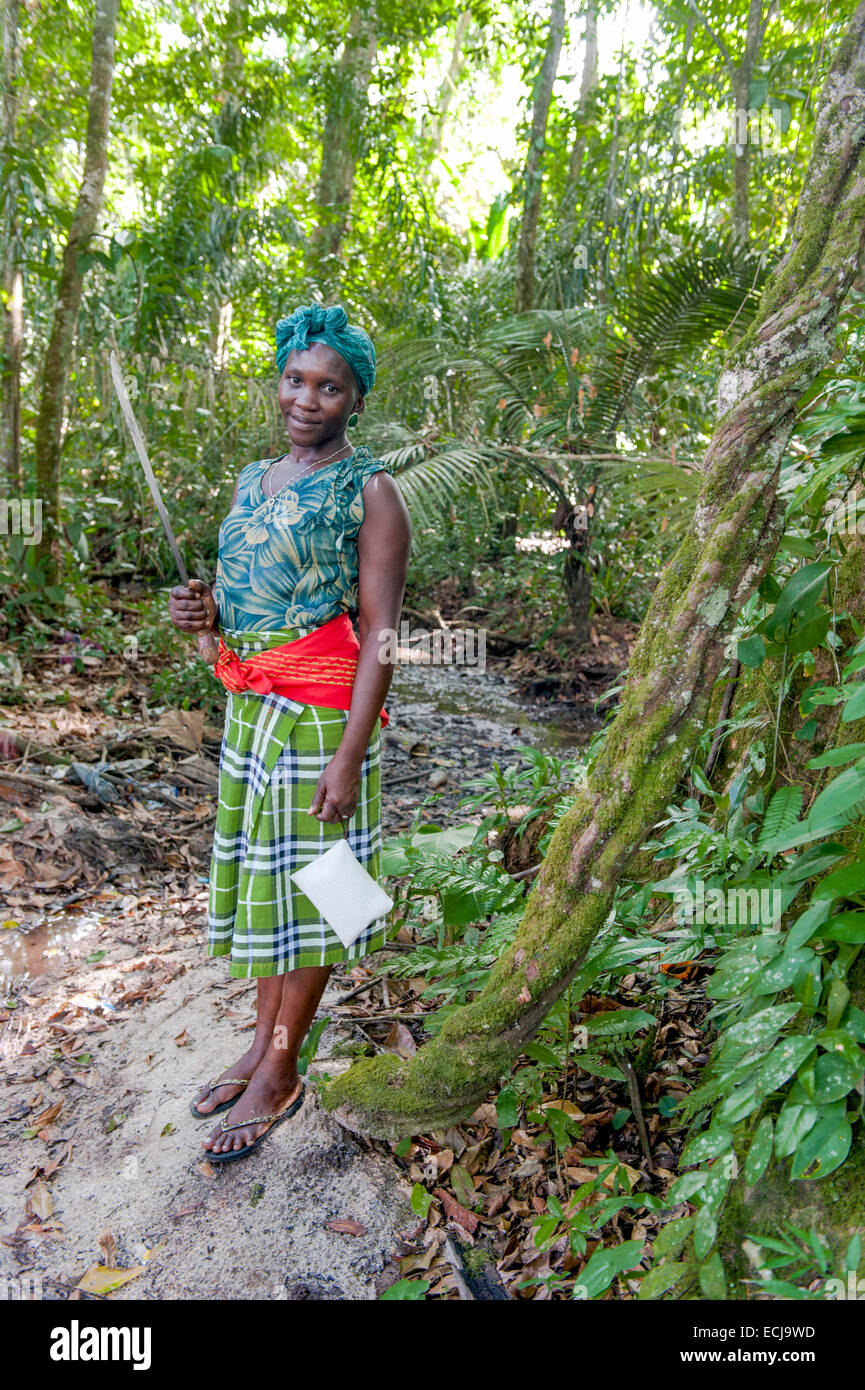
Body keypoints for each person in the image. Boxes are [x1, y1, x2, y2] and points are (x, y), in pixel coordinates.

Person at [169, 304, 411, 1162]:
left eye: (330, 386)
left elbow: (380, 629)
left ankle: (281, 1071)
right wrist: (204, 622)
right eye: (296, 380)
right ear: (280, 383)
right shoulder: (251, 479)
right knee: (274, 893)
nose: (308, 399)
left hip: (322, 716)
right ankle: (260, 1044)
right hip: (254, 707)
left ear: (354, 398)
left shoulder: (370, 489)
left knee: (317, 893)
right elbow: (238, 616)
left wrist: (350, 754)